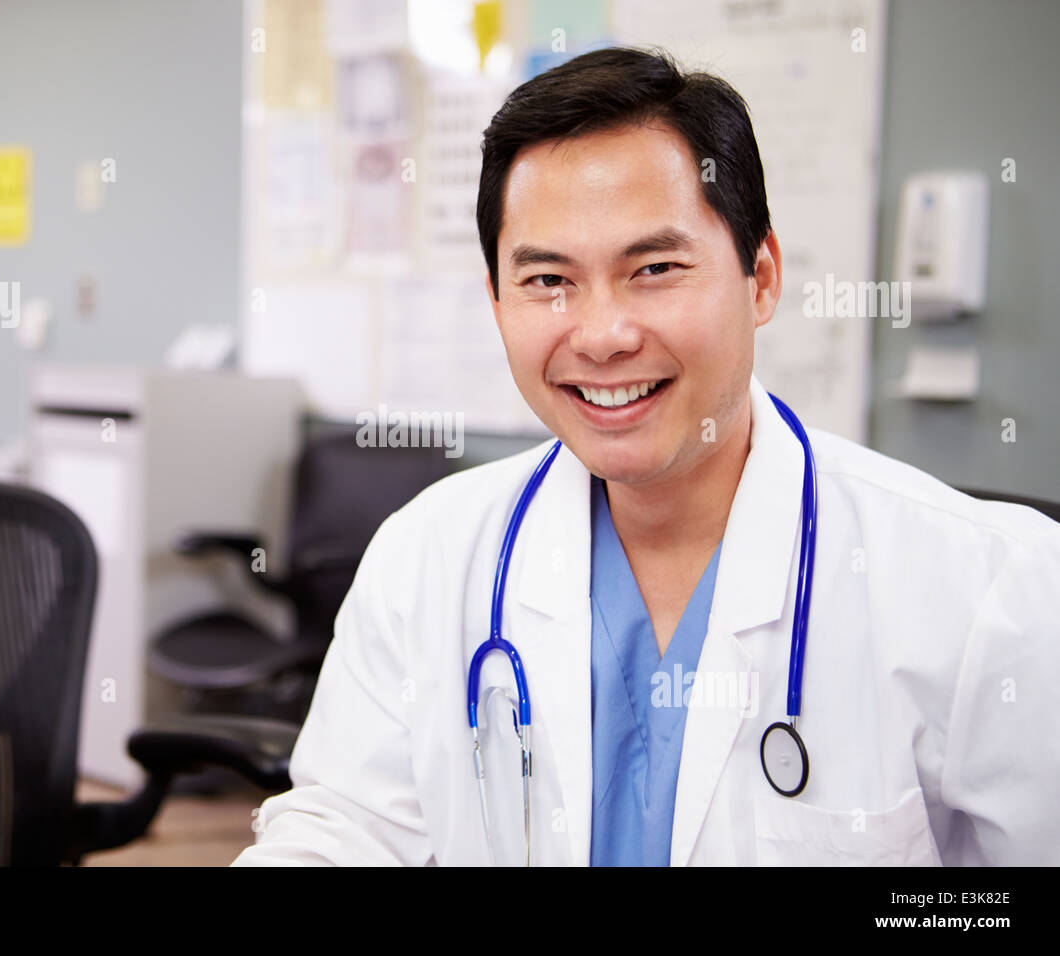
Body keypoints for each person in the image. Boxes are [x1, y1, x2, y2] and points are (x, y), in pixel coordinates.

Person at [232, 47, 1060, 866]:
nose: (601, 336)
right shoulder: (427, 557)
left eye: (655, 268)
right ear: (496, 300)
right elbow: (341, 830)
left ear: (760, 276)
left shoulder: (991, 587)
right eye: (548, 280)